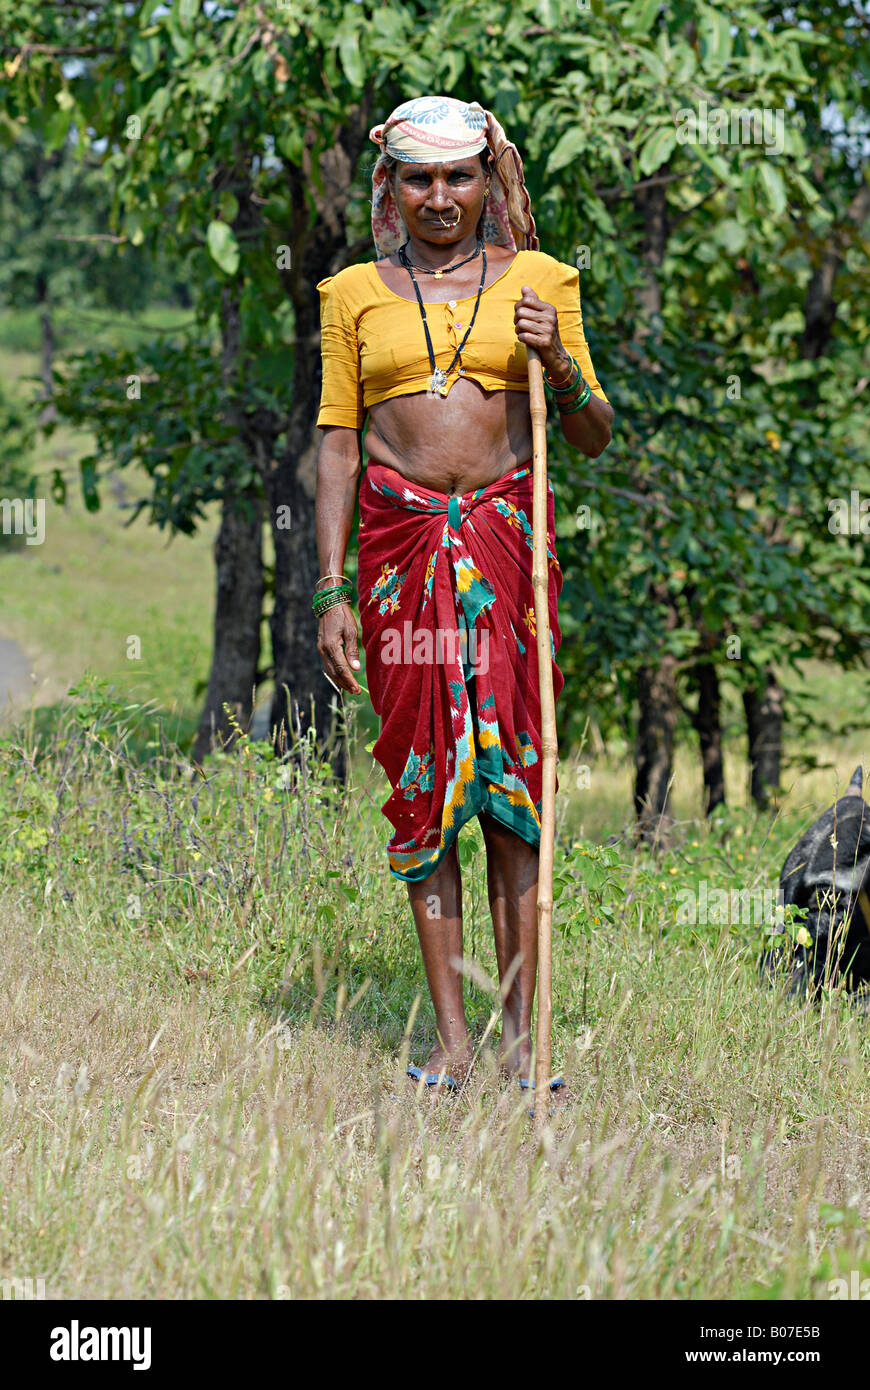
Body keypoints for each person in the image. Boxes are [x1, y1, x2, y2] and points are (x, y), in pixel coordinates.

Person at [314, 95, 613, 1095]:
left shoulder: (541, 280)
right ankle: (452, 1043)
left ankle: (526, 1047)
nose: (439, 197)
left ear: (490, 182)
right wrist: (332, 587)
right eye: (419, 179)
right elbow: (339, 444)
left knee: (515, 798)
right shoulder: (353, 292)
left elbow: (593, 432)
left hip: (506, 550)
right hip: (399, 560)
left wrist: (559, 360)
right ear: (392, 189)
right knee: (427, 791)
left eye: (457, 177)